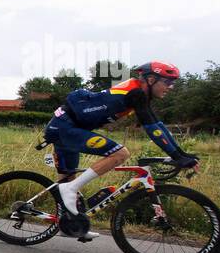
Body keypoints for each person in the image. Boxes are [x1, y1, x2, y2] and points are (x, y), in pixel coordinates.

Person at [43, 61, 198, 229]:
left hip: (69, 127)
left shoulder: (140, 93)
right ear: (151, 79)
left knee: (67, 181)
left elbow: (158, 125)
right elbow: (152, 129)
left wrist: (182, 155)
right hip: (64, 128)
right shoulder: (136, 93)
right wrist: (177, 157)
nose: (171, 87)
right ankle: (71, 189)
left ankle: (71, 227)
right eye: (168, 82)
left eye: (172, 83)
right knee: (120, 154)